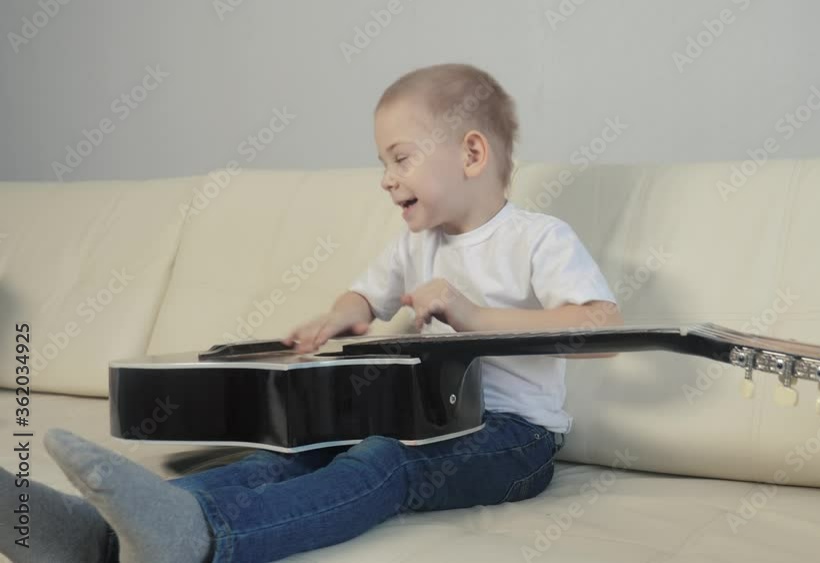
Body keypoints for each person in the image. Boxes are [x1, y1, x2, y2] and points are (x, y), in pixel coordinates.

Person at [0, 63, 622, 563]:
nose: (385, 178)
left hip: (515, 440)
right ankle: (90, 535)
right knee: (288, 457)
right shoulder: (414, 244)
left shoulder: (538, 239)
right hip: (422, 418)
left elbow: (603, 329)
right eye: (382, 162)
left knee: (384, 462)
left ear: (472, 153)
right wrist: (338, 316)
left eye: (399, 158)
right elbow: (364, 297)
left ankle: (204, 538)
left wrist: (471, 315)